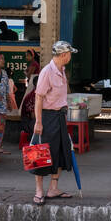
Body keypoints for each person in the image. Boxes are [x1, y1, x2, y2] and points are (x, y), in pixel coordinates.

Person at [32, 41, 78, 204]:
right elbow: (39, 97)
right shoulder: (47, 72)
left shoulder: (61, 70)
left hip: (59, 116)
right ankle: (39, 190)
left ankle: (53, 188)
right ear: (64, 55)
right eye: (70, 53)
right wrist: (38, 122)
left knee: (59, 151)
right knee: (42, 153)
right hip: (47, 117)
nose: (71, 56)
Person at [0, 53, 16, 155]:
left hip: (2, 105)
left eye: (3, 58)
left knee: (1, 126)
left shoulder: (4, 74)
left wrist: (9, 103)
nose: (3, 61)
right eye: (1, 58)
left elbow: (7, 90)